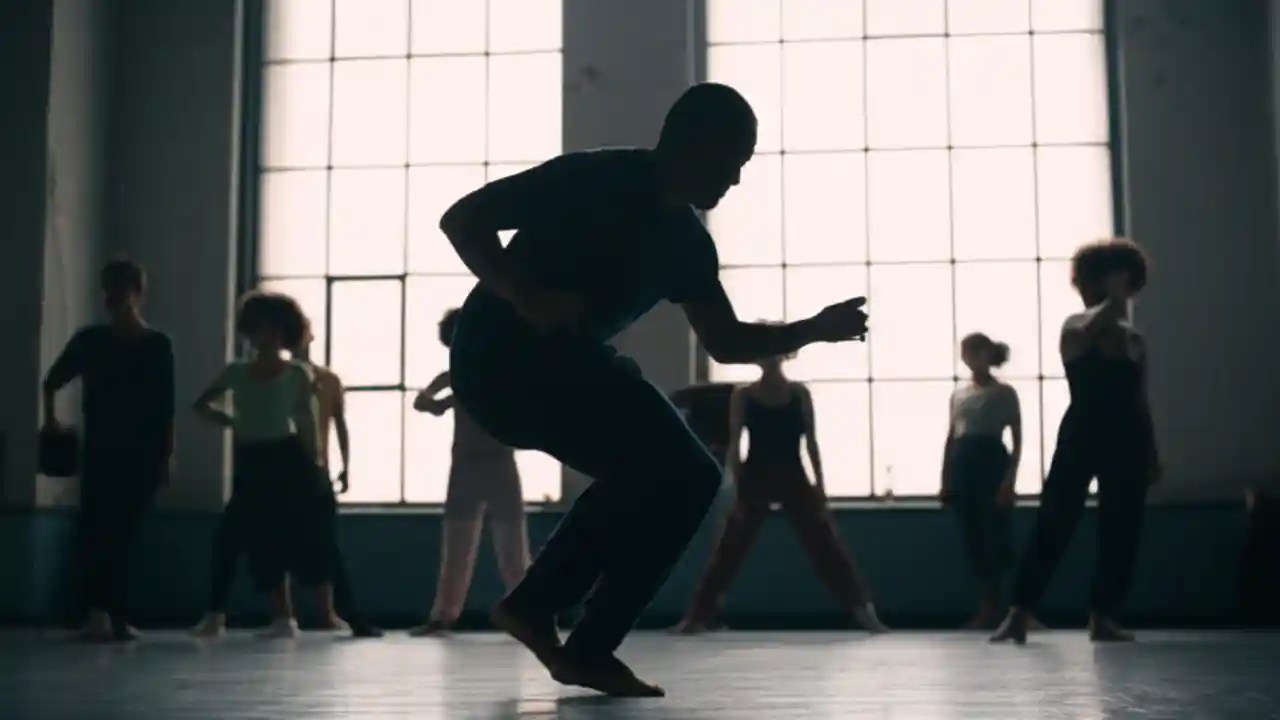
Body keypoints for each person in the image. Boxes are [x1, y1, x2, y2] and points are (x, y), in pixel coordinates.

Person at [441, 82, 870, 696]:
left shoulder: (687, 244)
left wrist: (814, 329)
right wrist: (524, 293)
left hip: (573, 367)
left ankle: (570, 633)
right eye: (734, 163)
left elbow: (723, 341)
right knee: (664, 468)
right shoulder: (592, 178)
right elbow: (463, 219)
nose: (736, 181)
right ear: (695, 144)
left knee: (686, 476)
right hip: (497, 360)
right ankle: (544, 611)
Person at [990, 238, 1161, 644]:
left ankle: (1103, 616)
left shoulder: (1134, 339)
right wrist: (1113, 298)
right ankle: (1019, 613)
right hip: (1083, 430)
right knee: (1055, 519)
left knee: (1123, 527)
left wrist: (1152, 452)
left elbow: (1141, 399)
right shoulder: (1076, 325)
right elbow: (1090, 329)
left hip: (1128, 437)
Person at [190, 316, 382, 638]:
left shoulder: (296, 373)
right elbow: (202, 404)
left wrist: (318, 464)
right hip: (253, 459)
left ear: (285, 337)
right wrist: (234, 420)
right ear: (251, 334)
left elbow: (306, 419)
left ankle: (352, 616)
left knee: (320, 537)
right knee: (234, 535)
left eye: (274, 330)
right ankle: (223, 614)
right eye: (261, 329)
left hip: (290, 458)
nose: (266, 336)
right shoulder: (236, 371)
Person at [672, 351, 886, 635]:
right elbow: (737, 442)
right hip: (755, 475)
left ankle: (863, 612)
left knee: (824, 542)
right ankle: (697, 616)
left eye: (774, 352)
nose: (769, 358)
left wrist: (819, 486)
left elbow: (811, 441)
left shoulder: (799, 393)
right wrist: (735, 486)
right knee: (730, 547)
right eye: (763, 352)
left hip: (793, 474)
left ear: (784, 355)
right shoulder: (744, 395)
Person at [43, 259, 175, 642]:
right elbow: (52, 380)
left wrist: (167, 455)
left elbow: (166, 407)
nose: (114, 298)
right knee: (101, 532)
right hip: (104, 450)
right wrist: (52, 423)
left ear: (137, 291)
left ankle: (109, 615)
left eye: (120, 289)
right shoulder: (92, 340)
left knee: (121, 534)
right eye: (109, 290)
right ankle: (101, 614)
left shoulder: (155, 345)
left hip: (139, 453)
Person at [409, 308, 531, 636]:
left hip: (499, 461)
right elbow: (422, 400)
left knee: (513, 547)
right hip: (464, 466)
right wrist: (432, 402)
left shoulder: (499, 373)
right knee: (457, 545)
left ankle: (528, 612)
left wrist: (445, 402)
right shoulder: (456, 373)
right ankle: (443, 616)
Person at [941, 333, 1021, 629]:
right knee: (973, 536)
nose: (972, 358)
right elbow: (951, 437)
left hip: (992, 461)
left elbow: (1017, 438)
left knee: (997, 535)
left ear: (989, 354)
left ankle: (1010, 608)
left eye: (977, 351)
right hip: (964, 463)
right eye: (967, 352)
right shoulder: (959, 394)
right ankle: (987, 608)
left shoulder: (1004, 393)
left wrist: (1009, 481)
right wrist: (946, 478)